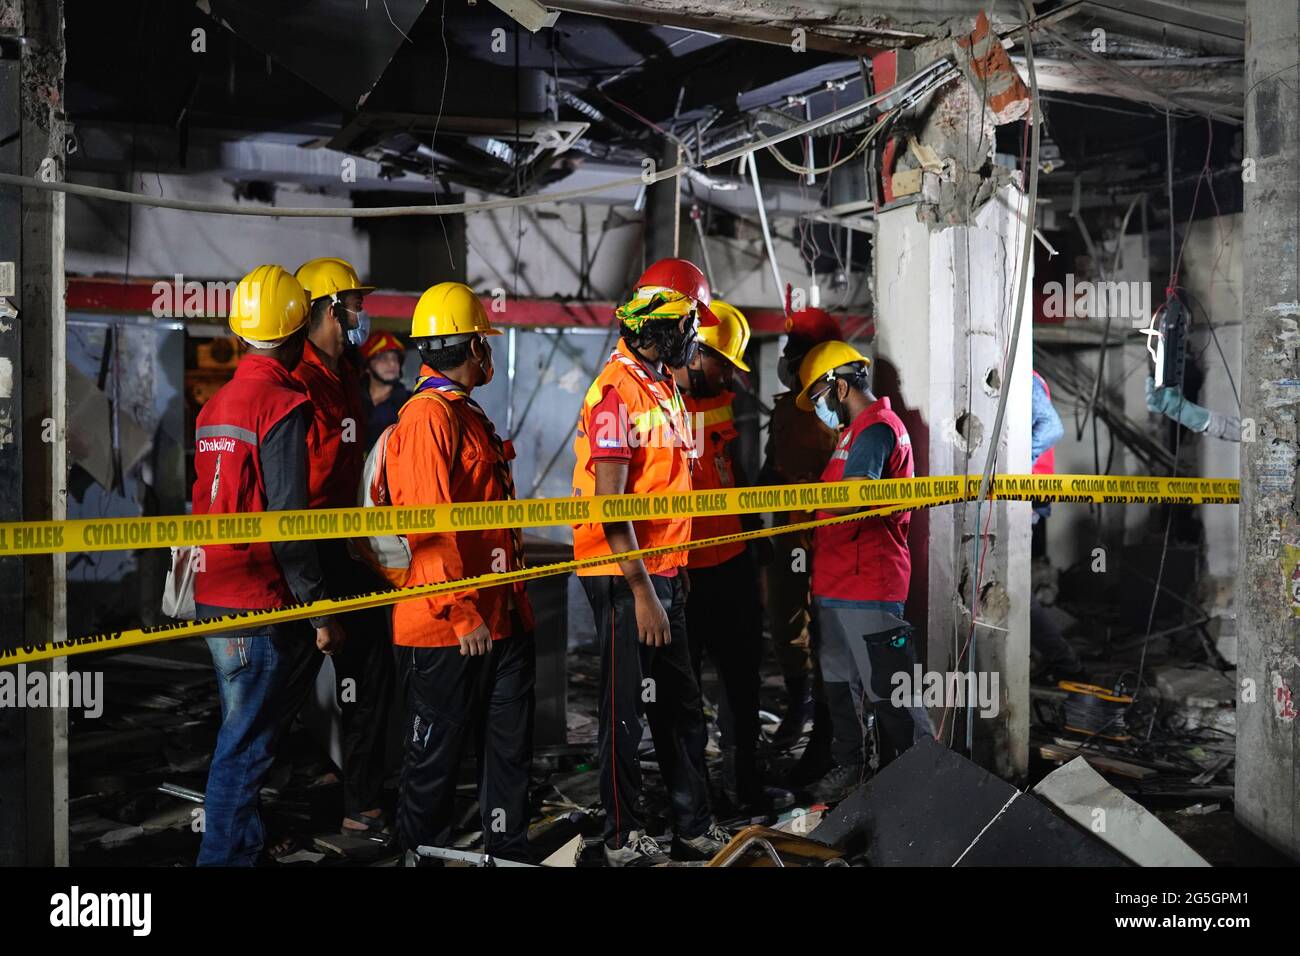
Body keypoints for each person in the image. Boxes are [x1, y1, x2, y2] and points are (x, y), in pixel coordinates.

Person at [571, 257, 730, 866]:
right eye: (690, 319)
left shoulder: (660, 383)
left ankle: (693, 827)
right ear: (663, 319)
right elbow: (613, 508)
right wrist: (642, 592)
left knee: (681, 705)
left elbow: (665, 488)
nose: (695, 333)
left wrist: (674, 570)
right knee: (625, 713)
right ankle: (621, 836)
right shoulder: (616, 391)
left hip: (662, 572)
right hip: (622, 576)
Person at [193, 264, 345, 866]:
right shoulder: (282, 403)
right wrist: (318, 610)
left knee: (240, 736)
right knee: (246, 749)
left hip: (213, 597)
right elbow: (289, 523)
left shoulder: (215, 405)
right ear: (298, 326)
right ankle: (221, 861)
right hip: (257, 603)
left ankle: (245, 849)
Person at [385, 282, 536, 864]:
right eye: (484, 343)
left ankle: (510, 853)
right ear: (473, 345)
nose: (487, 354)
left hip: (501, 618)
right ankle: (422, 857)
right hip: (449, 627)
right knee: (435, 765)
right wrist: (460, 608)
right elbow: (429, 528)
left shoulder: (462, 412)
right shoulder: (426, 418)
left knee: (508, 754)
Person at [285, 256, 395, 842]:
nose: (360, 314)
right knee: (287, 680)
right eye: (354, 304)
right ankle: (252, 813)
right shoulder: (297, 380)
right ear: (329, 309)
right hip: (302, 551)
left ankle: (362, 800)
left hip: (345, 546)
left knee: (370, 666)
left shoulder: (345, 372)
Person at [796, 340, 934, 803]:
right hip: (835, 585)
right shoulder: (852, 433)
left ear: (839, 385)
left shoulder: (876, 429)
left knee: (892, 693)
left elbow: (854, 497)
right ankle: (852, 770)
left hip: (868, 585)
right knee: (839, 689)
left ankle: (920, 783)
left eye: (819, 396)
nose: (820, 408)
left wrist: (809, 501)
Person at [671, 299, 794, 814]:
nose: (728, 374)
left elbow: (733, 473)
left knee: (742, 690)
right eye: (722, 361)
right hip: (682, 573)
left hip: (732, 567)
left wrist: (757, 543)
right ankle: (694, 802)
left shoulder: (719, 399)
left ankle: (744, 787)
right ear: (696, 353)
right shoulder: (654, 402)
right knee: (681, 699)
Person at [758, 308, 842, 777]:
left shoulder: (835, 410)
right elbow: (774, 467)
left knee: (825, 631)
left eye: (798, 351)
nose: (789, 360)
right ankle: (800, 705)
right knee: (786, 622)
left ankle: (826, 735)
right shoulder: (788, 409)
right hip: (787, 530)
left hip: (824, 535)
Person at [1029, 369, 1082, 682]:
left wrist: (1016, 464)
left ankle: (1065, 663)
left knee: (1013, 587)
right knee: (1014, 587)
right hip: (1021, 492)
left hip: (1026, 492)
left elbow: (1051, 427)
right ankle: (1062, 662)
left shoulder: (1023, 377)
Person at [359, 330, 411, 451]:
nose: (392, 363)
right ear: (367, 367)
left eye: (395, 358)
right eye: (383, 358)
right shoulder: (352, 400)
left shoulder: (409, 404)